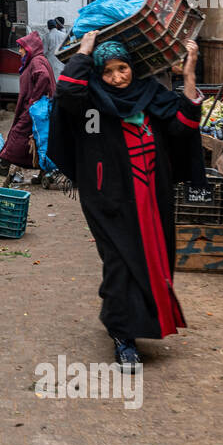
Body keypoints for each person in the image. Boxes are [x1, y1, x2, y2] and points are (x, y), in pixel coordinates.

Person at [48, 32, 205, 369]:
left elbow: (184, 124)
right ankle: (123, 338)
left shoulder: (150, 94)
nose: (117, 78)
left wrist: (189, 73)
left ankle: (143, 323)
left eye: (123, 69)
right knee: (120, 263)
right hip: (109, 197)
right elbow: (67, 91)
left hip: (153, 196)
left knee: (153, 259)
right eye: (108, 72)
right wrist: (85, 51)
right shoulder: (90, 100)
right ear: (97, 74)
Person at [0, 31, 56, 180]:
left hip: (34, 109)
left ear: (30, 48)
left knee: (17, 134)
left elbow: (42, 77)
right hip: (38, 109)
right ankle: (42, 171)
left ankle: (4, 164)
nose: (20, 51)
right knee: (37, 139)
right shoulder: (38, 60)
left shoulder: (36, 61)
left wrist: (34, 99)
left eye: (22, 48)